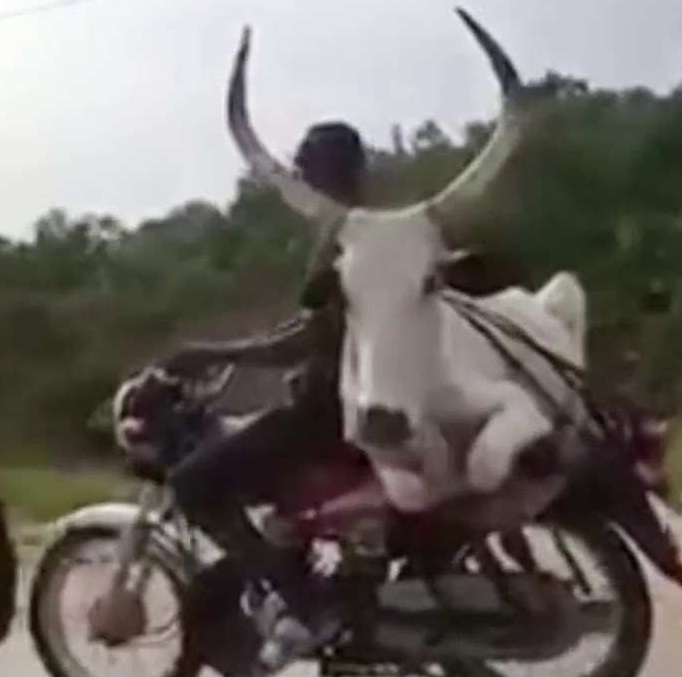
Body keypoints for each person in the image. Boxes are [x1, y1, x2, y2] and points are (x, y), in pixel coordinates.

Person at [113, 120, 519, 671]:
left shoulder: (347, 240)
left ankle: (303, 601)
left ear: (322, 174)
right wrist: (237, 354)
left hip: (331, 415)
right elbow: (313, 331)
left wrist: (215, 352)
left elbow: (307, 341)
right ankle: (316, 576)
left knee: (194, 485)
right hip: (373, 402)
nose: (303, 181)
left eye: (307, 170)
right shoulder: (388, 232)